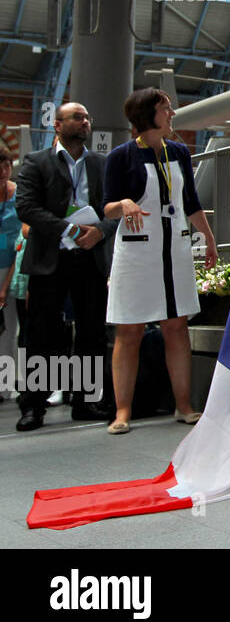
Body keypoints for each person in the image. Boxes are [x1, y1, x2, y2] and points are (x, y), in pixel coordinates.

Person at [103, 88, 217, 434]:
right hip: (137, 254)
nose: (172, 114)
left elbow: (191, 201)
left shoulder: (179, 152)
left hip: (175, 251)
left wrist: (209, 239)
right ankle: (123, 411)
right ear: (146, 116)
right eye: (166, 109)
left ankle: (184, 406)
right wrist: (123, 204)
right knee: (130, 330)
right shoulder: (121, 157)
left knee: (176, 326)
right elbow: (105, 207)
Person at [14, 103, 116, 430]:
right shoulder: (36, 162)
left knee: (91, 333)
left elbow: (113, 211)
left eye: (87, 117)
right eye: (77, 117)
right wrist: (67, 229)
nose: (85, 122)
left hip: (89, 259)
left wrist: (99, 230)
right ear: (57, 125)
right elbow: (26, 207)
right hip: (50, 259)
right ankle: (33, 405)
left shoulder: (101, 163)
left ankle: (85, 402)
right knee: (42, 335)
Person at [0, 149, 20, 392]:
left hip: (12, 266)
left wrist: (5, 285)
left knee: (8, 328)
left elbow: (22, 241)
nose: (4, 172)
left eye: (6, 166)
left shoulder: (19, 194)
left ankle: (4, 385)